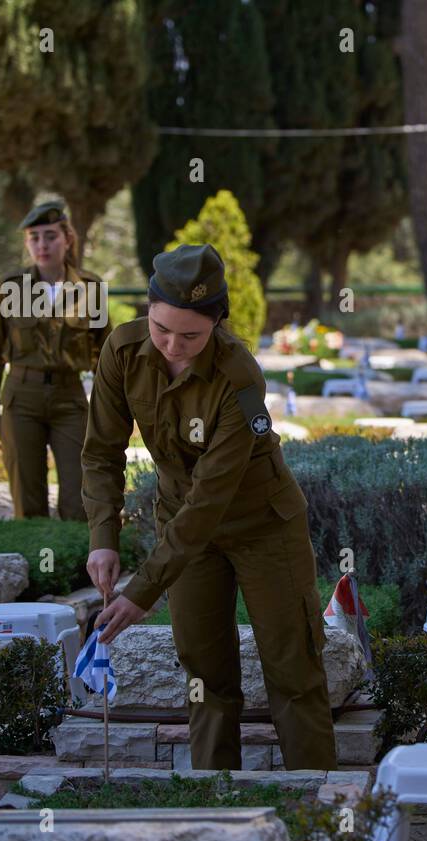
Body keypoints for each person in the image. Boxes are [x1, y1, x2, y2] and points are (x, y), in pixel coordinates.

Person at [81, 244, 337, 771]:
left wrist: (141, 593)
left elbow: (209, 501)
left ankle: (316, 814)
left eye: (191, 336)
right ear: (147, 311)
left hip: (264, 526)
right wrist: (103, 537)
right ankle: (215, 807)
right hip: (185, 531)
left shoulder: (240, 379)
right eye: (161, 329)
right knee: (204, 675)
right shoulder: (122, 352)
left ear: (217, 323)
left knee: (293, 669)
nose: (173, 346)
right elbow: (101, 453)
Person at [0, 200, 109, 519]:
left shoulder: (90, 288)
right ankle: (36, 566)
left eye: (50, 236)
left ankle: (76, 565)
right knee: (28, 499)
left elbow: (106, 357)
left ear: (67, 239)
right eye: (34, 237)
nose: (42, 245)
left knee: (80, 498)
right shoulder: (11, 287)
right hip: (22, 398)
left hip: (70, 398)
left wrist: (113, 410)